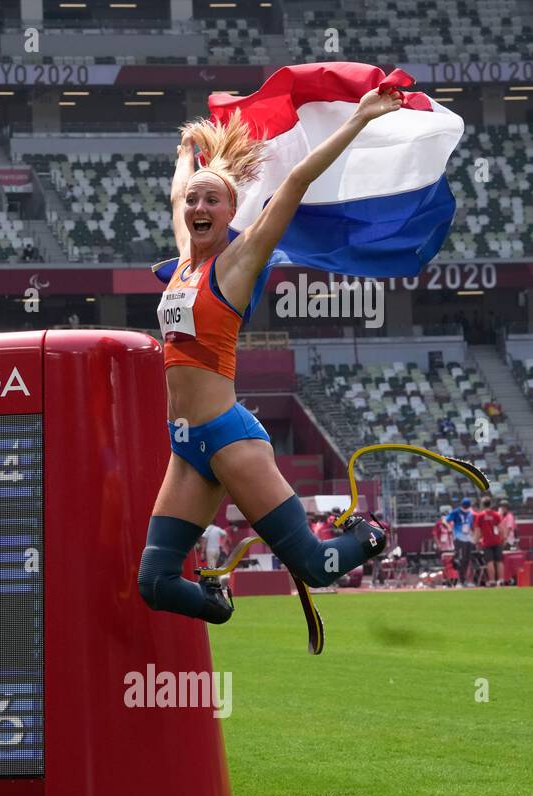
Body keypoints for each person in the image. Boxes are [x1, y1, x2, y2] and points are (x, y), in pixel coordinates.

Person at [137, 87, 401, 625]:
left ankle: (370, 534)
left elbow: (297, 181)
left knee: (315, 563)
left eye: (212, 200)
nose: (197, 206)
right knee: (155, 582)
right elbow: (173, 197)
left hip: (229, 438)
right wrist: (187, 155)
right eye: (194, 200)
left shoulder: (237, 263)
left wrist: (359, 119)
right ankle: (217, 600)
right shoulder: (185, 263)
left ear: (233, 210)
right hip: (185, 446)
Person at [471, 495, 505, 587]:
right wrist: (503, 539)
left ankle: (492, 580)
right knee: (499, 561)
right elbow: (501, 528)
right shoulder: (496, 515)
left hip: (486, 542)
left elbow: (478, 531)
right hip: (497, 541)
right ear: (491, 504)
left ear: (482, 504)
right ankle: (501, 580)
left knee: (490, 562)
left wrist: (474, 541)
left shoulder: (480, 516)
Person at [447, 498, 476, 587]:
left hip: (468, 538)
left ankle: (465, 579)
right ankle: (460, 581)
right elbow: (447, 520)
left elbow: (471, 525)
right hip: (459, 538)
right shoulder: (456, 512)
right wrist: (450, 528)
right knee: (460, 559)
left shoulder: (470, 513)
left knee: (467, 559)